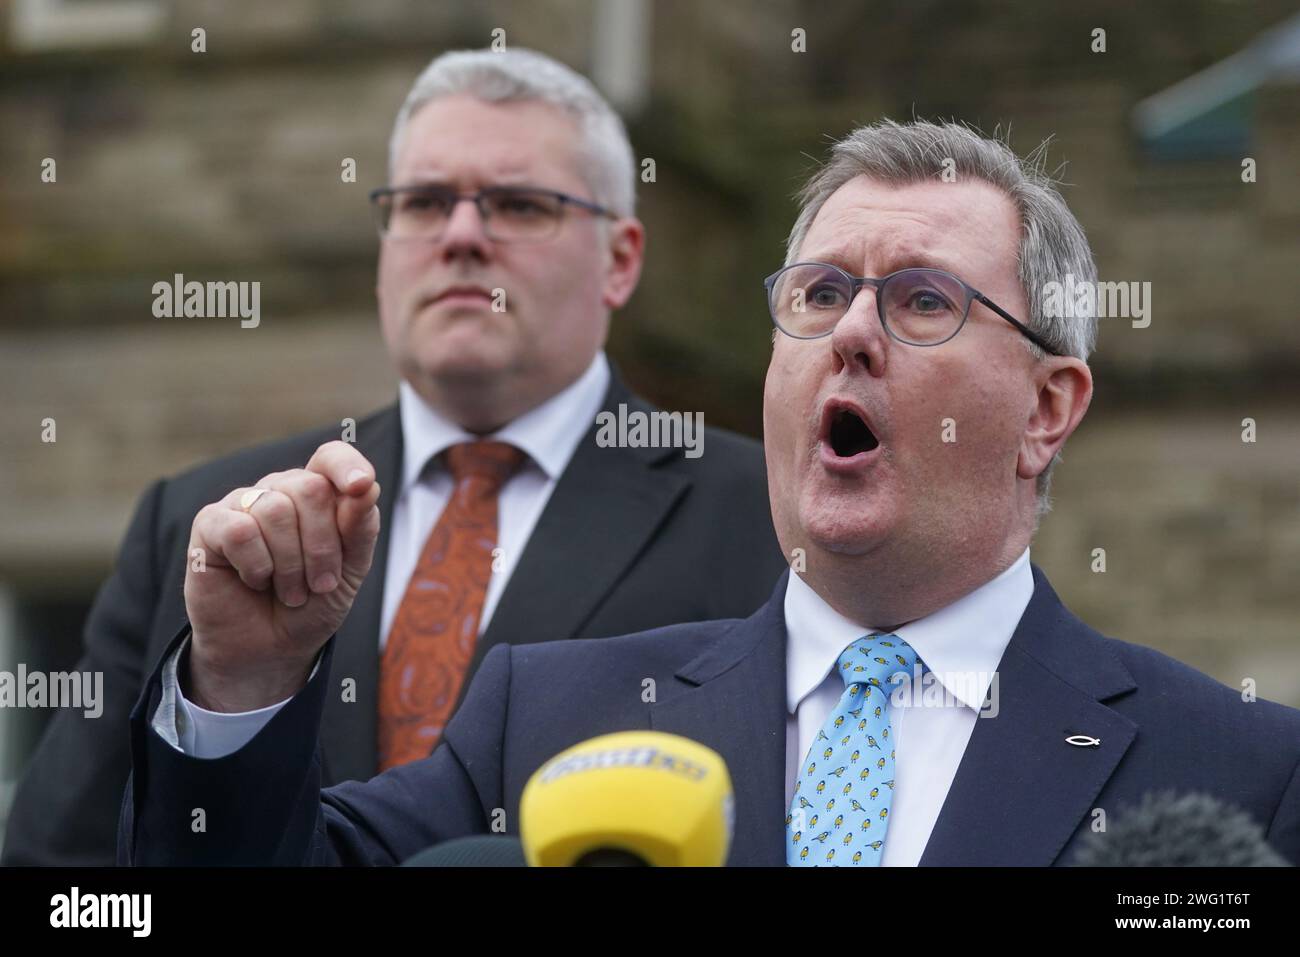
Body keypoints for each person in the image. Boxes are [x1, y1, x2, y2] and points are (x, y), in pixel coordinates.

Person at [118, 119, 1300, 867]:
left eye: (924, 300)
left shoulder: (1239, 774)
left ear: (1047, 409)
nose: (850, 334)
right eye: (820, 292)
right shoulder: (549, 717)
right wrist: (244, 687)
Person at [3, 48, 786, 866]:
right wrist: (234, 694)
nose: (460, 236)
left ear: (620, 260)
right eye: (424, 201)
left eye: (518, 204)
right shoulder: (213, 526)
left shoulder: (767, 518)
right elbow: (62, 877)